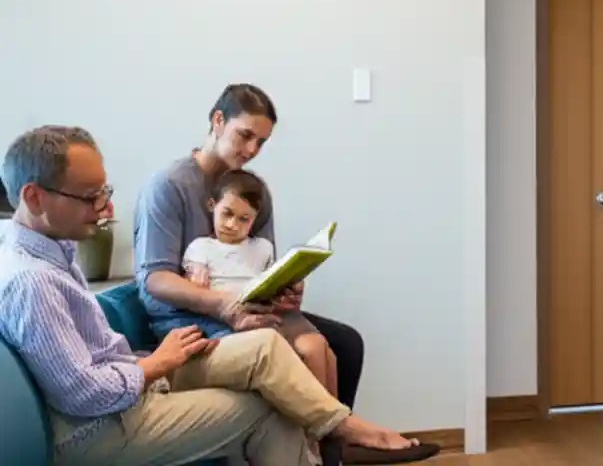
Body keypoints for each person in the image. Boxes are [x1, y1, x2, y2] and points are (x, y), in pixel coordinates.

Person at [0, 125, 438, 465]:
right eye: (91, 196)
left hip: (129, 379)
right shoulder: (31, 280)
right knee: (270, 408)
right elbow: (83, 396)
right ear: (34, 197)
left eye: (105, 192)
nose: (106, 208)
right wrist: (156, 363)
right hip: (94, 427)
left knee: (266, 345)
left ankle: (340, 428)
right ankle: (344, 430)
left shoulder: (53, 248)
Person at [132, 84, 402, 464]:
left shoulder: (253, 190)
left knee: (343, 343)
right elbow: (155, 280)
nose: (252, 151)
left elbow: (261, 266)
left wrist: (286, 289)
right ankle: (327, 445)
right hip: (193, 315)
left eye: (262, 142)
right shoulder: (168, 187)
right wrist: (224, 305)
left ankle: (326, 451)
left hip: (248, 303)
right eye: (245, 136)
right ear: (218, 121)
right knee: (303, 351)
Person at [181, 168, 339, 399]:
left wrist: (289, 285)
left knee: (318, 347)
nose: (232, 224)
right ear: (212, 206)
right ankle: (322, 429)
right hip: (233, 320)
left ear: (255, 220)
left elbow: (272, 280)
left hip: (269, 313)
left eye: (244, 219)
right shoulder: (201, 247)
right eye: (227, 213)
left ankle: (332, 428)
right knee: (307, 350)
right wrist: (196, 272)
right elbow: (193, 283)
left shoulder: (262, 247)